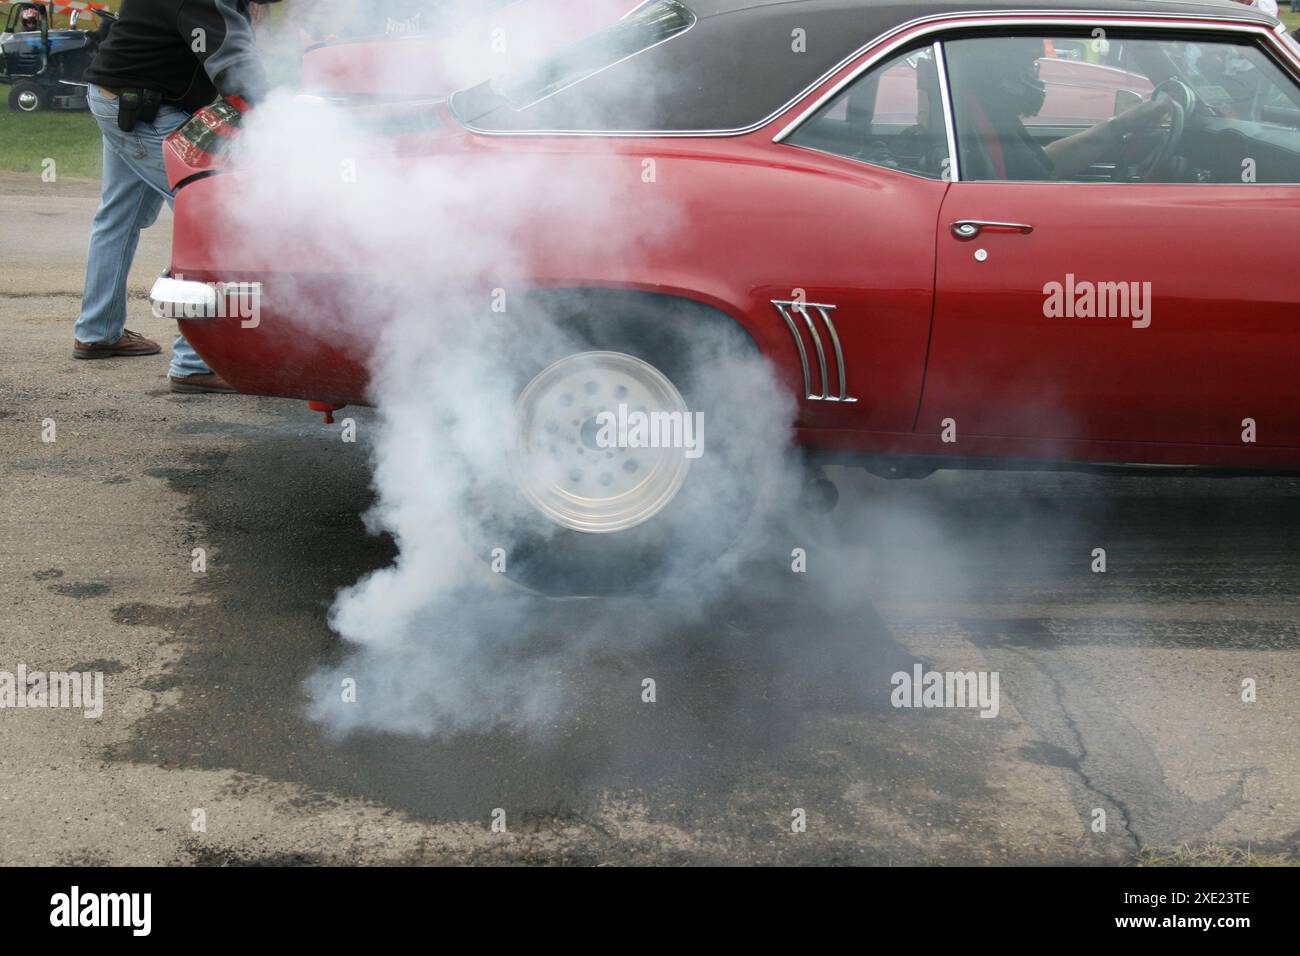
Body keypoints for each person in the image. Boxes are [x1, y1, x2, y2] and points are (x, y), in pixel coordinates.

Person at [72, 0, 279, 393]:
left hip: (118, 96)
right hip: (141, 107)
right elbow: (233, 62)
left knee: (119, 217)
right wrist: (277, 117)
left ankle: (97, 330)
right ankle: (193, 363)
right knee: (209, 219)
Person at [949, 37, 1172, 181]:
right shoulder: (983, 120)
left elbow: (1047, 165)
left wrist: (1119, 125)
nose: (1032, 74)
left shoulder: (991, 116)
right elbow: (1044, 175)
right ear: (998, 71)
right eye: (1026, 65)